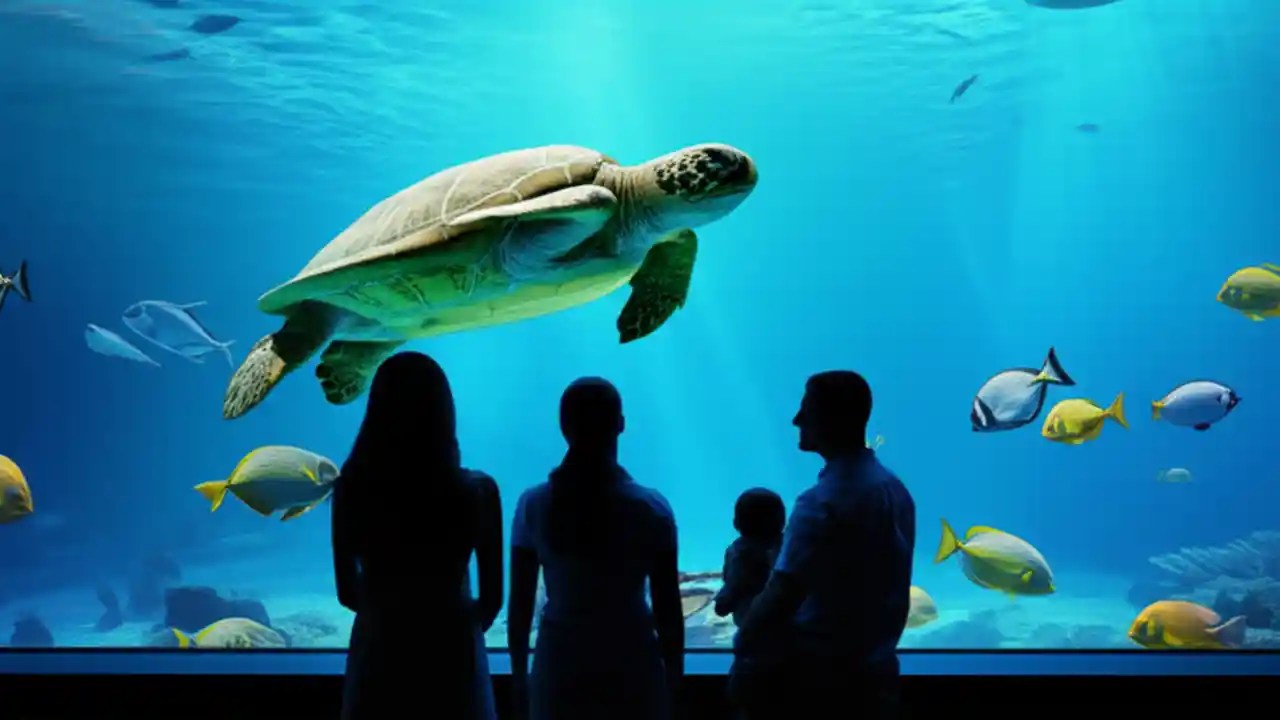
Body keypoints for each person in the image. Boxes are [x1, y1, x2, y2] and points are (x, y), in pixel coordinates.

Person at [732, 370, 916, 720]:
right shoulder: (894, 489)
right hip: (876, 676)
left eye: (807, 409)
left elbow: (781, 595)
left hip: (818, 684)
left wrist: (744, 646)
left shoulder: (821, 503)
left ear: (835, 418)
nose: (796, 419)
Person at [331, 351, 503, 720]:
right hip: (452, 651)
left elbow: (347, 592)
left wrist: (391, 612)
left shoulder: (351, 487)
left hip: (379, 649)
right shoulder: (479, 491)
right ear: (445, 411)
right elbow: (491, 602)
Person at [507, 377, 683, 720]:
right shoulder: (650, 507)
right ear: (620, 424)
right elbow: (667, 606)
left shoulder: (533, 504)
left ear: (563, 426)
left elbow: (520, 602)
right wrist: (675, 677)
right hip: (631, 659)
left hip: (559, 660)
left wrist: (518, 674)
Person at [713, 487, 786, 627]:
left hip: (752, 629)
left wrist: (723, 602)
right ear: (782, 522)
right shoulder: (788, 546)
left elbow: (733, 584)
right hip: (787, 623)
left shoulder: (740, 553)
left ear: (736, 523)